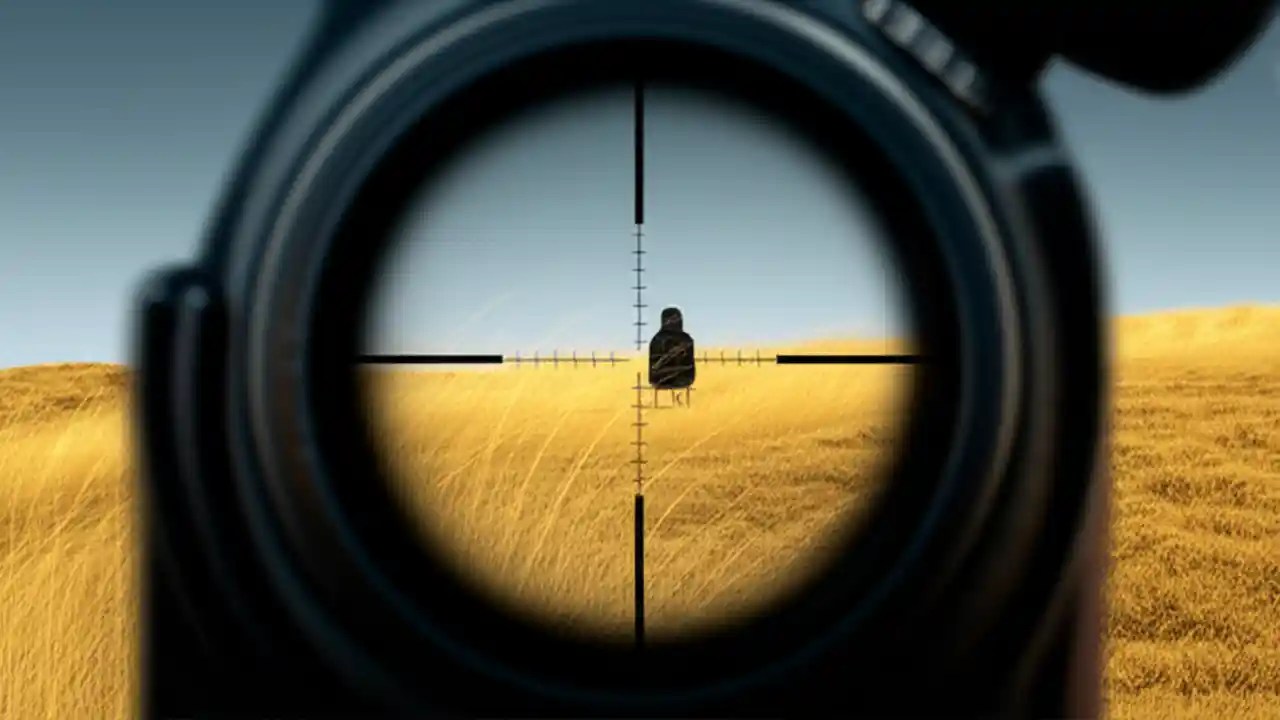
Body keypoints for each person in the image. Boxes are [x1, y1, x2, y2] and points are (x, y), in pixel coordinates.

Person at [648, 307, 695, 402]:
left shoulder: (686, 339)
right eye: (672, 319)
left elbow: (689, 364)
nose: (674, 322)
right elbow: (654, 365)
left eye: (676, 318)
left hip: (682, 379)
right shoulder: (658, 339)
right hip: (664, 380)